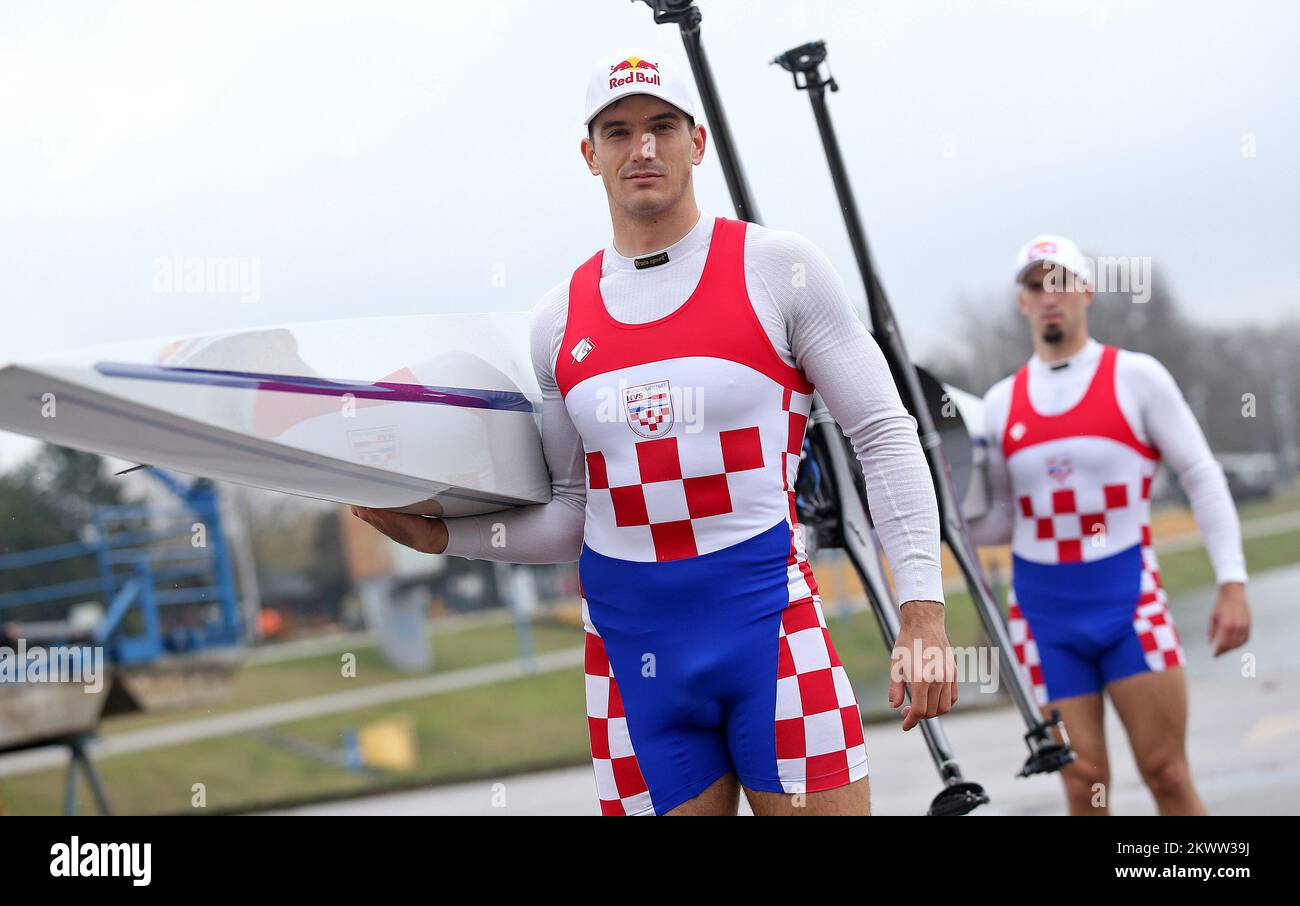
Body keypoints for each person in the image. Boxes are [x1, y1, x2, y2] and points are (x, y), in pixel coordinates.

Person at [353, 48, 955, 816]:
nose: (643, 149)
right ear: (590, 154)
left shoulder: (780, 269)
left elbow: (886, 434)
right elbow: (575, 511)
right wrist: (443, 538)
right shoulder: (558, 319)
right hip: (630, 658)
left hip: (767, 634)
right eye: (619, 131)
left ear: (696, 142)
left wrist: (924, 614)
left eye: (662, 127)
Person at [969, 235, 1251, 815]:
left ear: (1087, 292)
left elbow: (1200, 473)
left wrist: (1232, 581)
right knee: (1083, 782)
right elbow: (998, 520)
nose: (1049, 296)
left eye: (1062, 281)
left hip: (1128, 601)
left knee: (1167, 773)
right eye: (1034, 285)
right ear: (1021, 301)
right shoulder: (998, 403)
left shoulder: (1137, 376)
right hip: (1043, 616)